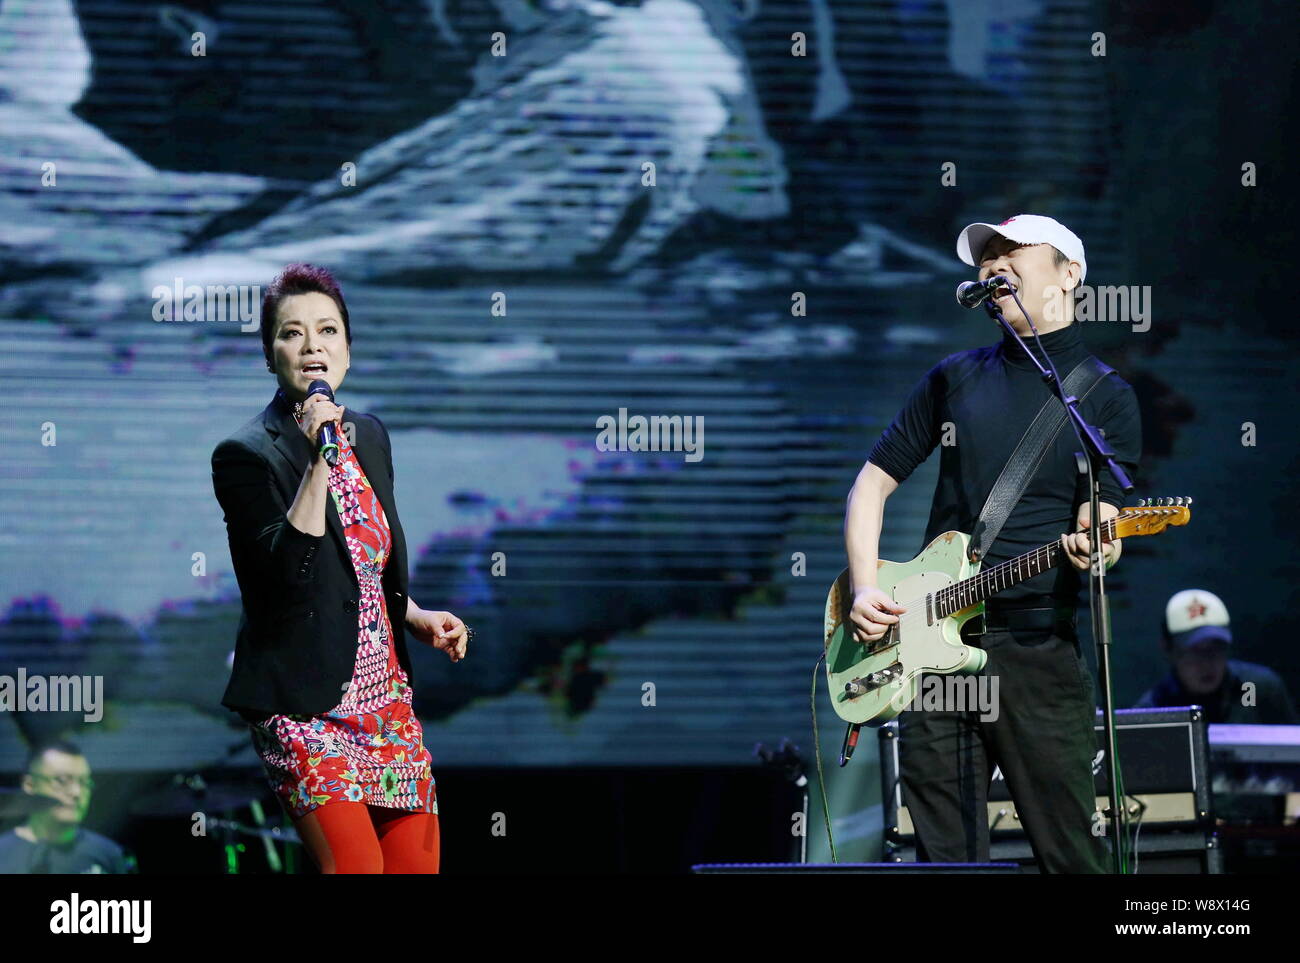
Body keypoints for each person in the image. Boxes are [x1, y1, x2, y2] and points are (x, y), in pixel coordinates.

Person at [845, 215, 1141, 873]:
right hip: (933, 654)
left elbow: (1103, 513)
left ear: (1069, 274)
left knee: (1072, 855)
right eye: (985, 258)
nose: (992, 265)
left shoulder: (1106, 396)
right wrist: (866, 585)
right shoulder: (954, 377)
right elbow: (870, 485)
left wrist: (1103, 544)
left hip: (1037, 653)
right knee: (949, 859)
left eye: (1010, 252)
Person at [213, 263, 469, 874]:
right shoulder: (245, 456)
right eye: (291, 333)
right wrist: (317, 458)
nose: (312, 347)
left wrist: (415, 616)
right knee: (356, 867)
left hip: (384, 703)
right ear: (270, 354)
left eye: (327, 331)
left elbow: (359, 569)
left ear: (347, 353)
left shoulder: (371, 437)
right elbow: (287, 578)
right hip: (303, 705)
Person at [1135, 589, 1298, 724]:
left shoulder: (1257, 688)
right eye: (1195, 651)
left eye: (1217, 648)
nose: (1207, 662)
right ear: (1168, 649)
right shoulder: (1154, 709)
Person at [0, 739, 135, 874]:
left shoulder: (110, 854)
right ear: (30, 785)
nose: (76, 792)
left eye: (84, 783)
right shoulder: (3, 853)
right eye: (62, 781)